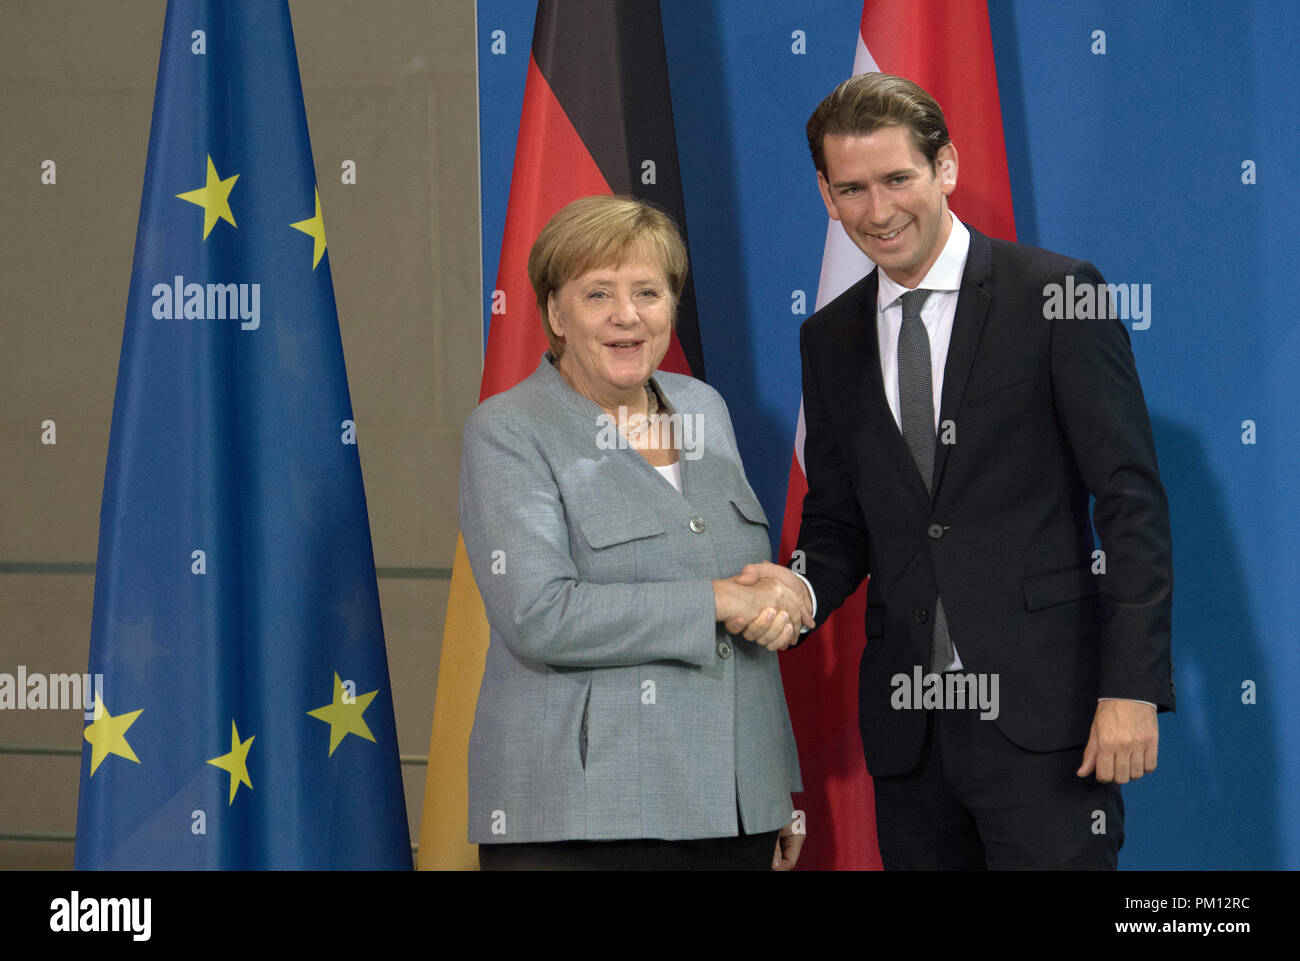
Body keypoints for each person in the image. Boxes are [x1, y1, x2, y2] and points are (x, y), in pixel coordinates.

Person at [738, 72, 1174, 869]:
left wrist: (1133, 686)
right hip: (911, 732)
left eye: (898, 178)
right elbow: (840, 521)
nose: (878, 210)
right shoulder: (828, 337)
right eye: (853, 188)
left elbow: (1131, 500)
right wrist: (797, 588)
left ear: (946, 167)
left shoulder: (1056, 294)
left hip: (1050, 720)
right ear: (826, 195)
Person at [460, 194, 808, 870]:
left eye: (648, 291)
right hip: (584, 820)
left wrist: (769, 796)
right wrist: (716, 599)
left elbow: (743, 587)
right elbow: (540, 613)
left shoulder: (703, 406)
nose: (628, 315)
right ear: (556, 313)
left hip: (731, 810)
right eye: (599, 294)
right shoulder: (508, 429)